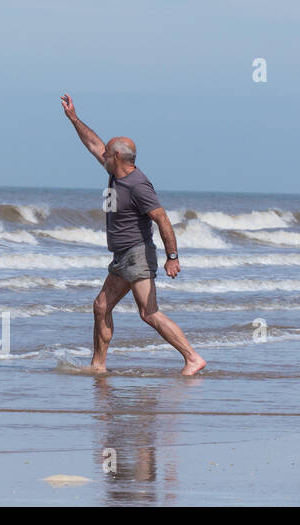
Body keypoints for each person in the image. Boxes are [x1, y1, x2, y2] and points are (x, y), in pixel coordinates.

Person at [60, 95, 205, 376]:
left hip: (137, 255)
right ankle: (98, 365)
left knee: (149, 313)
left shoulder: (139, 185)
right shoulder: (115, 172)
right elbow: (94, 144)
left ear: (117, 157)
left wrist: (172, 257)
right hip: (122, 257)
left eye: (107, 153)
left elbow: (162, 219)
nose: (101, 155)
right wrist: (74, 119)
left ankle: (192, 358)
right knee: (101, 306)